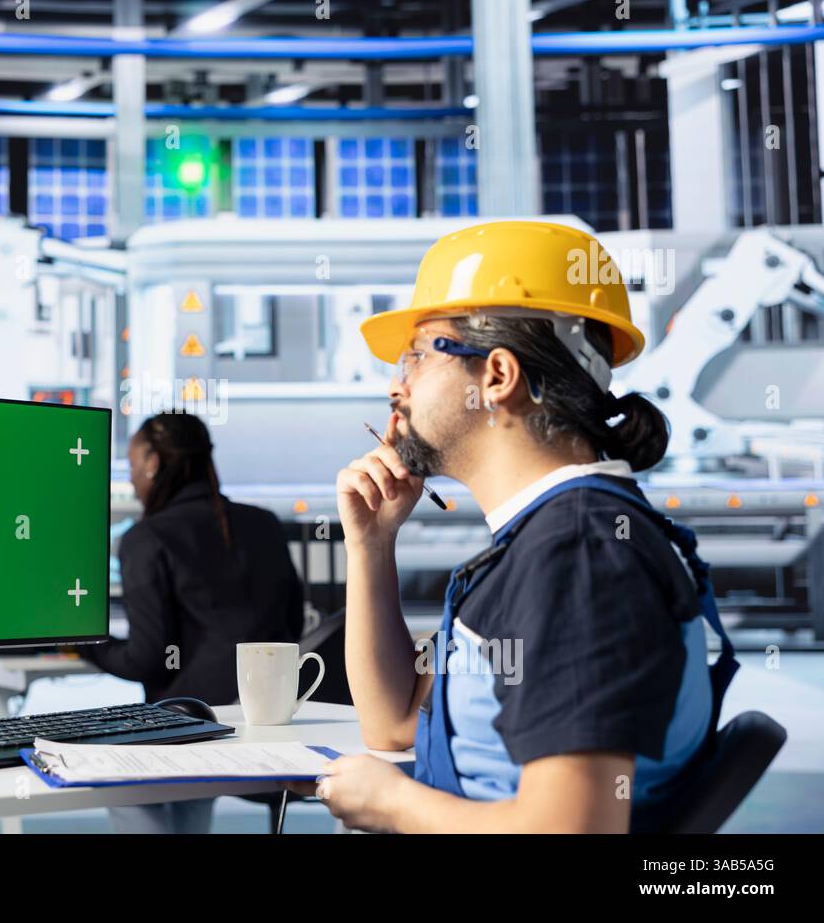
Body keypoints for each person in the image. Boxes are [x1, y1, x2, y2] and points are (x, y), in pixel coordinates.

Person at [287, 220, 737, 833]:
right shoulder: (547, 539)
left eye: (416, 356)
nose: (396, 388)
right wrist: (372, 545)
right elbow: (393, 723)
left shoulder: (576, 556)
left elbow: (573, 830)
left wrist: (393, 804)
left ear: (497, 377)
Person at [78, 410, 305, 833]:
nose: (130, 479)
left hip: (190, 728)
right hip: (267, 726)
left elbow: (145, 660)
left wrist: (78, 642)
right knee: (191, 786)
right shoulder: (263, 523)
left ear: (153, 463)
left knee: (120, 777)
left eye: (131, 465)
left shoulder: (147, 539)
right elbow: (291, 627)